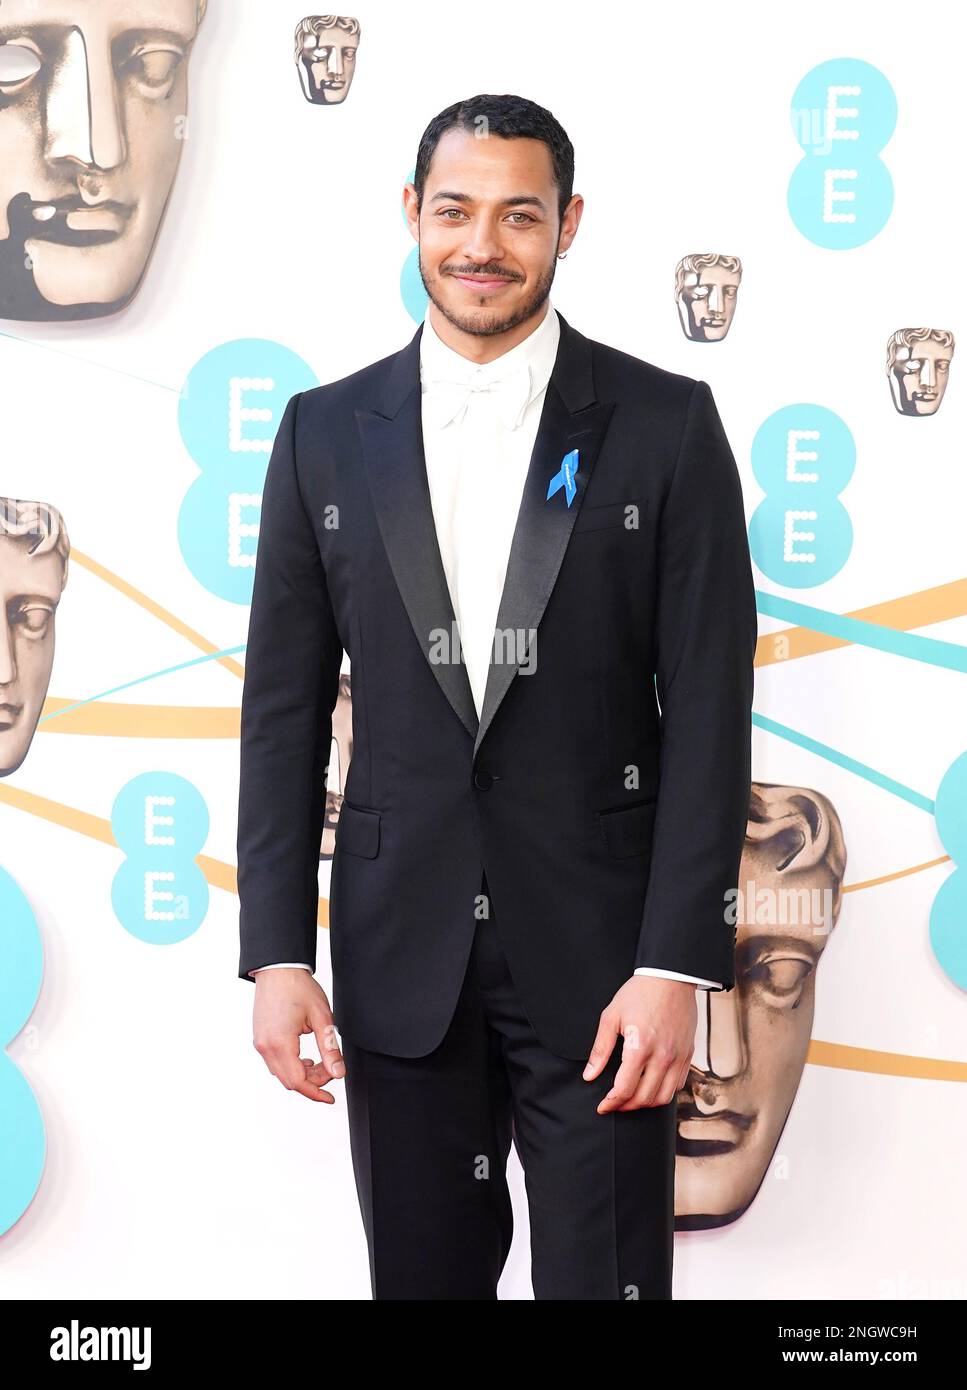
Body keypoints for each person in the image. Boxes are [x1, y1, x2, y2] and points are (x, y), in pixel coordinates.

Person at [237, 93, 758, 1300]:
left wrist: (676, 964)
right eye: (455, 210)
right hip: (397, 958)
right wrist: (276, 952)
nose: (482, 244)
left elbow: (709, 715)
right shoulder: (322, 431)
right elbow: (282, 711)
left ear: (567, 225)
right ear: (411, 214)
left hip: (608, 972)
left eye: (519, 215)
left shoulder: (667, 425)